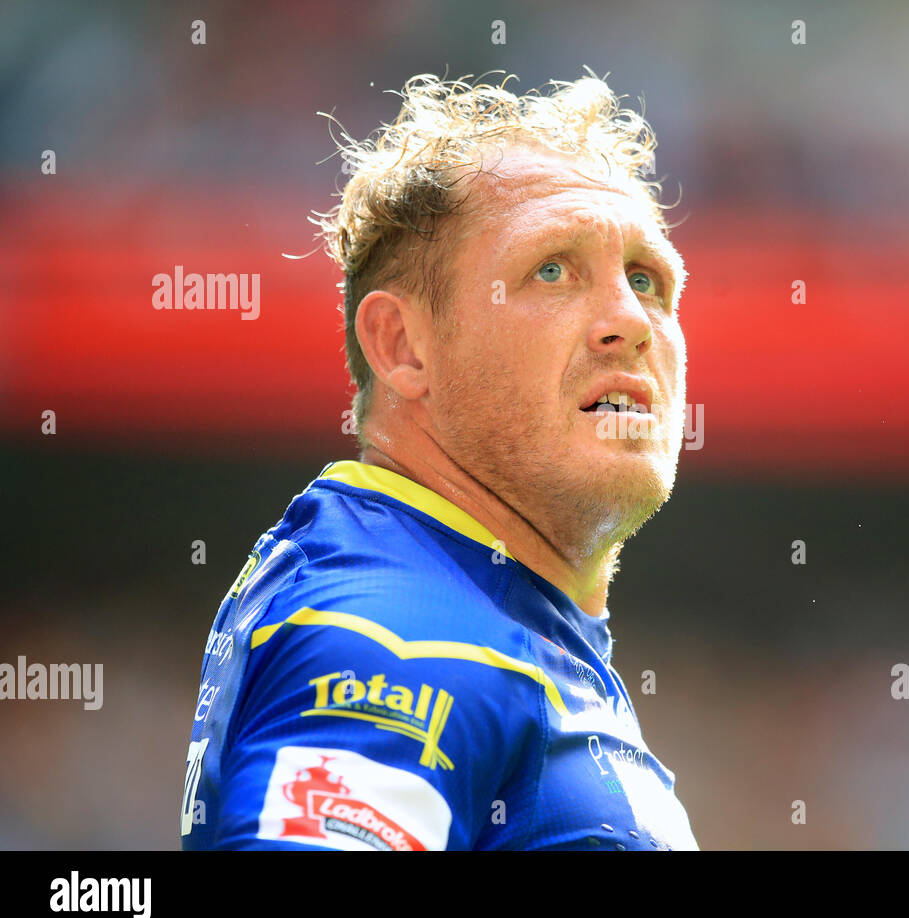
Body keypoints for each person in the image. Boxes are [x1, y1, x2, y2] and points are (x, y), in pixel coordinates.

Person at [180, 72, 697, 850]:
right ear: (402, 346)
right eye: (551, 269)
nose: (629, 320)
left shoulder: (485, 613)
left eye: (647, 279)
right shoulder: (402, 642)